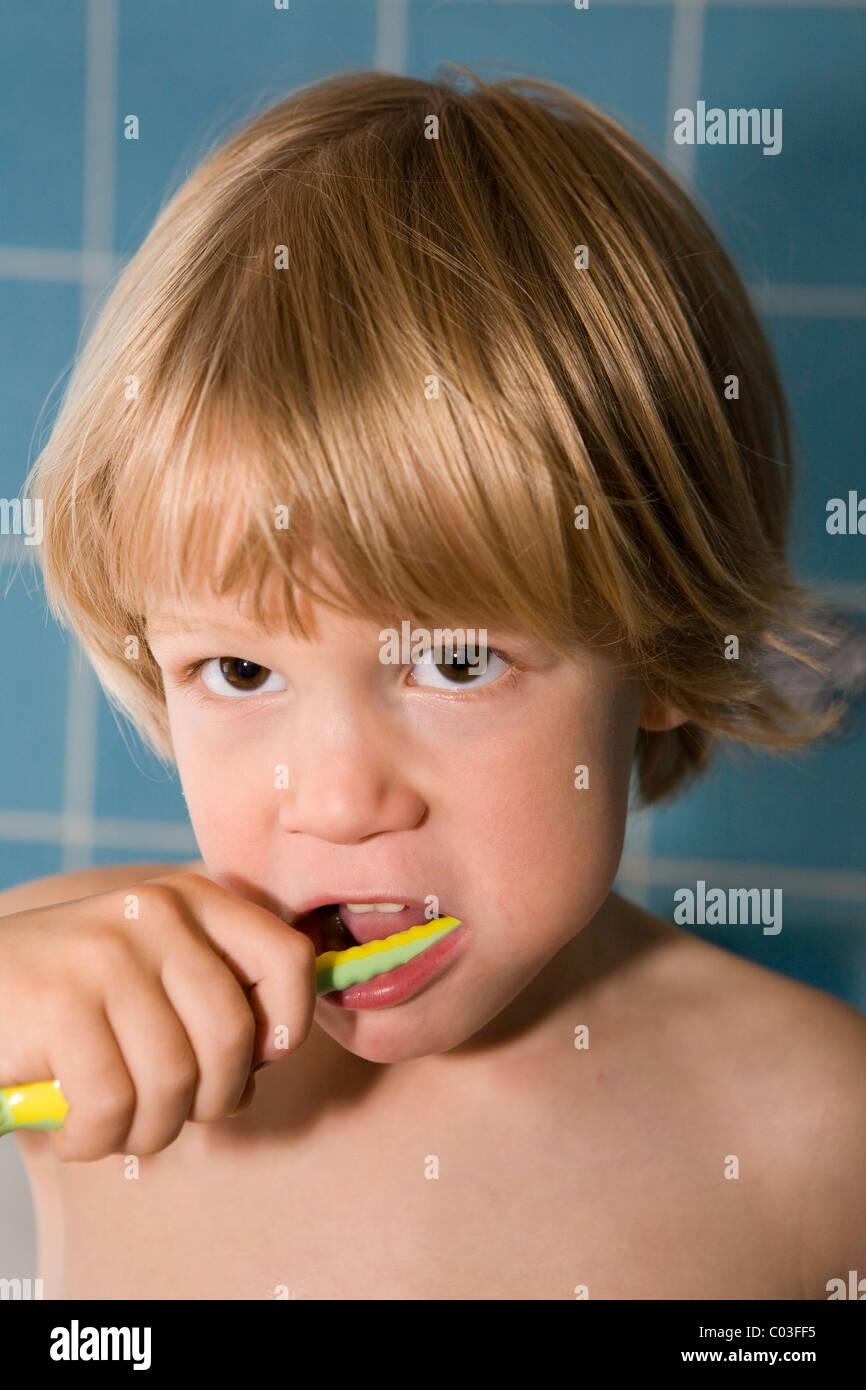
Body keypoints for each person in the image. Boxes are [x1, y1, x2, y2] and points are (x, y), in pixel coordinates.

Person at [3, 66, 864, 1300]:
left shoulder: (820, 1132)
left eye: (455, 662)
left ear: (668, 645)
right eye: (240, 668)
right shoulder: (63, 993)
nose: (337, 798)